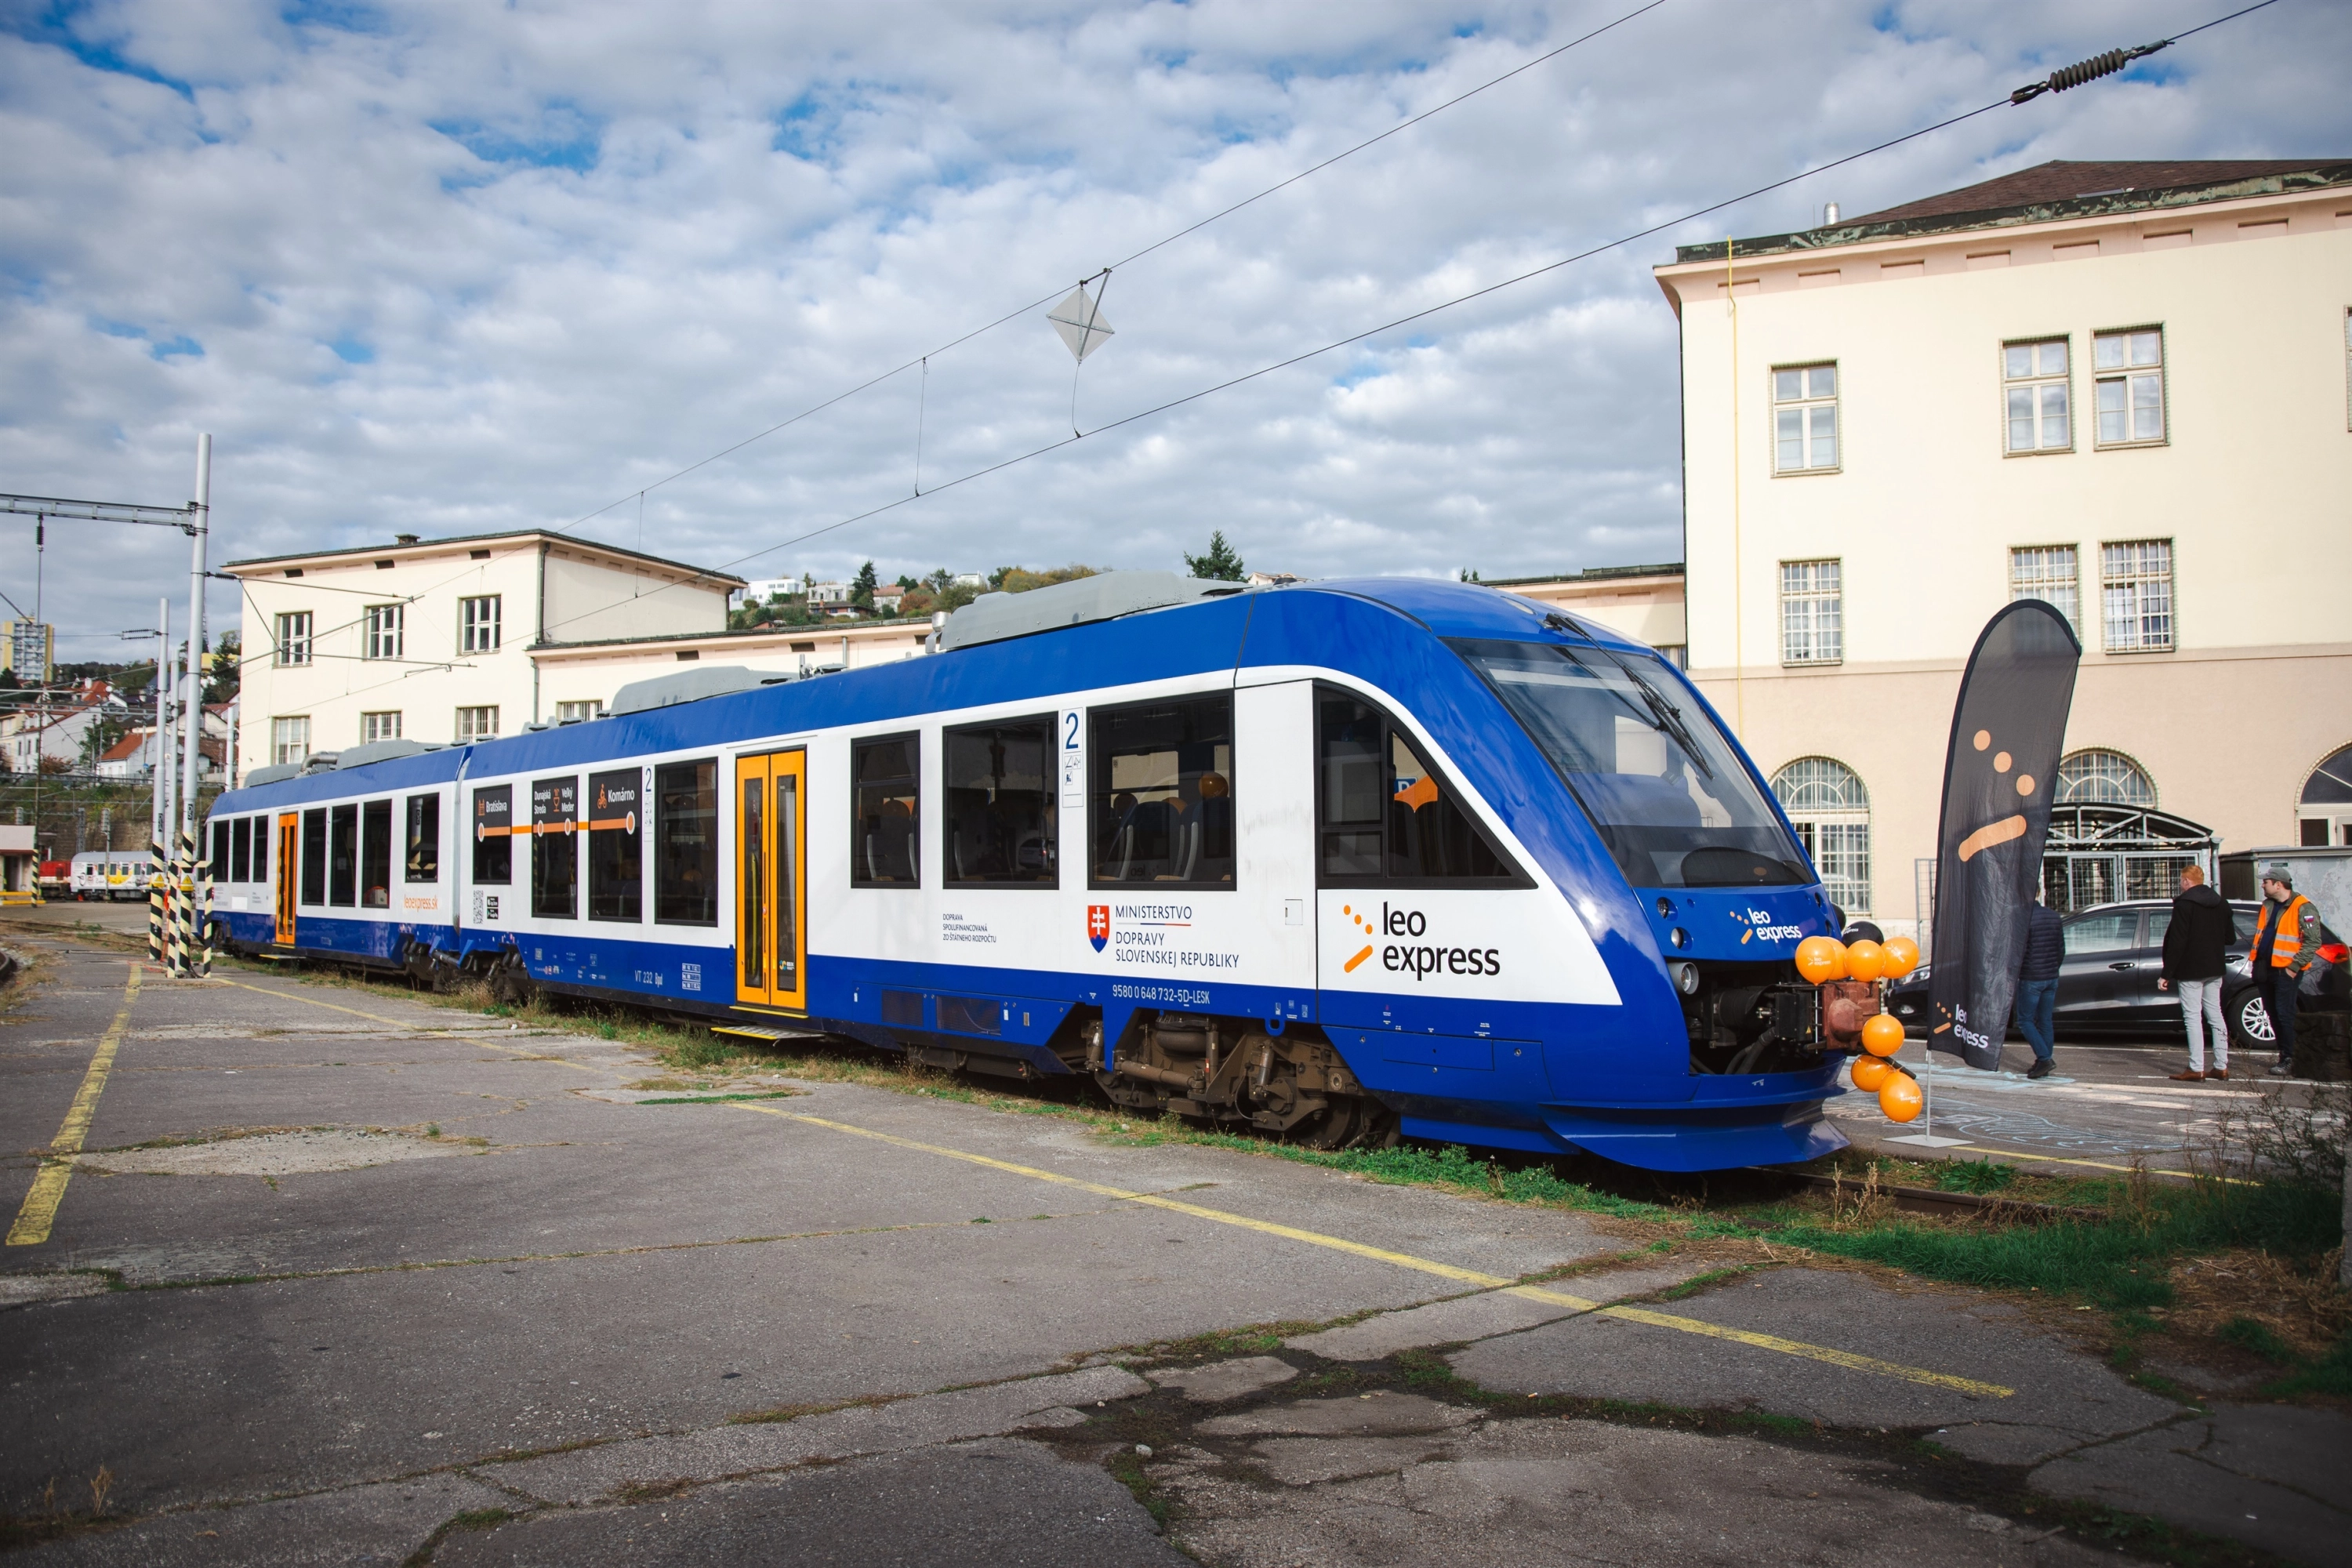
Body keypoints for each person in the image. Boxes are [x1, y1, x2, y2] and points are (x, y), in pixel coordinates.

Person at [2249, 862, 2327, 1077]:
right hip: (2266, 967)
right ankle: (2285, 1053)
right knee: (2273, 1013)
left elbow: (2313, 942)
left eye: (2266, 882)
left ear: (2278, 884)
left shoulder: (2303, 907)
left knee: (2285, 1014)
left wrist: (2294, 967)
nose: (2263, 886)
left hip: (2286, 969)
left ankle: (2290, 1057)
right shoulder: (2268, 905)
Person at [2156, 864, 2231, 1080]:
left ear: (2187, 881)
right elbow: (2230, 938)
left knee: (2192, 1017)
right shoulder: (2221, 903)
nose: (2181, 884)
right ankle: (2221, 1065)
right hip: (2215, 967)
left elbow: (2177, 942)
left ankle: (2196, 1067)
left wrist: (2166, 973)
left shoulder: (2185, 905)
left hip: (2190, 969)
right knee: (2215, 1014)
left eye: (2181, 880)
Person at [2015, 888, 2064, 1079]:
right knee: (2045, 1021)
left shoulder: (2023, 918)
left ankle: (2044, 1058)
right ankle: (2043, 1060)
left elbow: (2020, 952)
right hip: (2051, 976)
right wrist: (2053, 969)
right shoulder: (2053, 916)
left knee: (2025, 1020)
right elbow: (2061, 948)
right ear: (2038, 892)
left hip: (2031, 977)